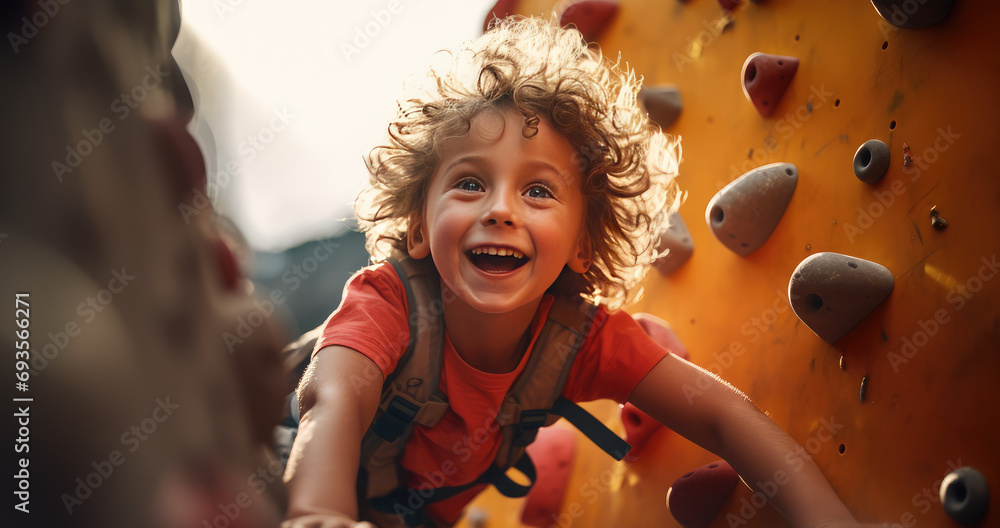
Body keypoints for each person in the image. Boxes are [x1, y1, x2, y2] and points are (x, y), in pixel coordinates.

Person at [282, 17, 872, 528]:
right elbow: (333, 398)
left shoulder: (583, 341)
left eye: (538, 191)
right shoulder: (386, 303)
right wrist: (315, 513)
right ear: (417, 226)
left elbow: (722, 416)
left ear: (582, 247)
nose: (500, 209)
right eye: (469, 183)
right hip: (276, 484)